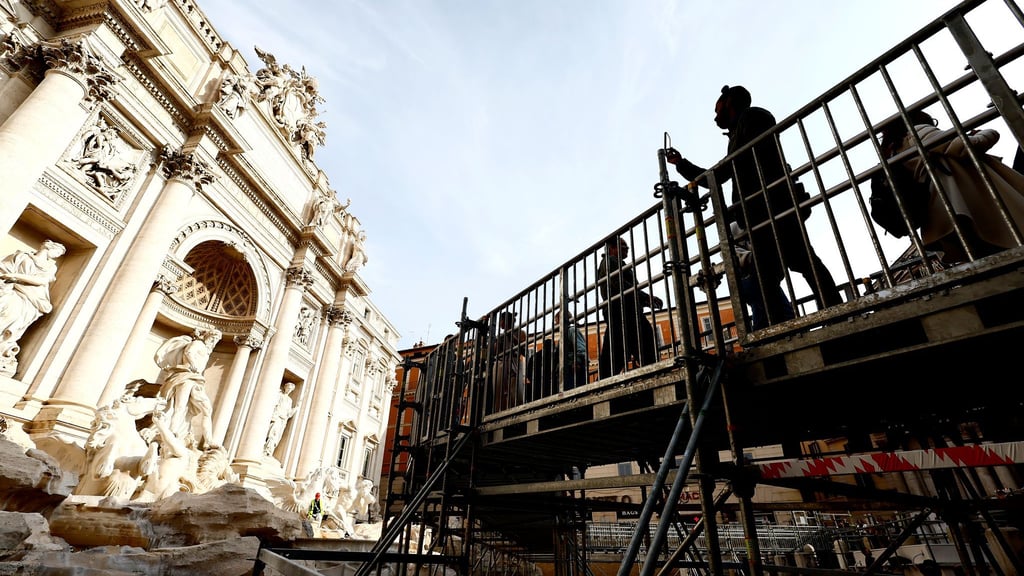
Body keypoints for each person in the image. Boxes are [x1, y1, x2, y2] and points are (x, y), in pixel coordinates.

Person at [666, 85, 842, 327]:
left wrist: (685, 166)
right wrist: (682, 164)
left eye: (718, 110)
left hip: (772, 207)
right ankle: (791, 324)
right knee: (776, 273)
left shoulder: (752, 118)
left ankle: (832, 314)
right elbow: (724, 172)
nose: (715, 116)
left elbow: (723, 172)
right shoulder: (743, 127)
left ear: (729, 102)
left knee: (797, 264)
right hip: (761, 211)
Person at [880, 109, 1024, 263]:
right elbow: (966, 146)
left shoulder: (893, 152)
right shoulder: (916, 132)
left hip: (940, 213)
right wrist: (986, 132)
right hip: (962, 205)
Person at [597, 237, 662, 378]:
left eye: (627, 246)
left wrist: (644, 298)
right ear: (611, 248)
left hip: (623, 312)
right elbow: (619, 284)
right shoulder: (610, 261)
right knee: (642, 346)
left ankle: (601, 386)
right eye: (623, 246)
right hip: (624, 313)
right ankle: (654, 374)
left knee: (616, 355)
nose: (627, 249)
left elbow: (627, 287)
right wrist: (645, 297)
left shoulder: (616, 263)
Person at [0, 240, 66, 377]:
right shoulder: (21, 256)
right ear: (49, 247)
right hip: (10, 289)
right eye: (57, 252)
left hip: (31, 298)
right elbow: (4, 267)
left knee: (13, 312)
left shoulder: (50, 267)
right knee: (5, 303)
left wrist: (15, 276)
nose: (57, 256)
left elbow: (41, 281)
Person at [151, 327, 222, 450]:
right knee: (180, 405)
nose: (214, 341)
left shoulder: (206, 350)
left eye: (216, 339)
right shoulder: (198, 343)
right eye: (213, 337)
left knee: (207, 409)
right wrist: (193, 364)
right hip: (186, 375)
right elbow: (188, 352)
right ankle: (172, 432)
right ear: (207, 336)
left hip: (197, 380)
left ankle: (208, 441)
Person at [491, 311, 527, 411]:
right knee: (499, 394)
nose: (499, 323)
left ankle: (517, 412)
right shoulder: (500, 336)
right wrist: (498, 342)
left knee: (516, 392)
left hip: (515, 363)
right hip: (501, 364)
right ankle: (499, 414)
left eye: (500, 320)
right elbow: (495, 353)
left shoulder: (520, 332)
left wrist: (512, 337)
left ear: (505, 321)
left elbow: (524, 351)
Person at [263, 382, 298, 457]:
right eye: (288, 388)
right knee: (272, 433)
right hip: (276, 417)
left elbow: (289, 413)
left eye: (291, 389)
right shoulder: (280, 395)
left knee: (276, 436)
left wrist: (296, 408)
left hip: (282, 420)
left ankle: (269, 451)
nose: (289, 390)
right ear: (285, 387)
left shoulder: (289, 400)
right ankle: (266, 450)